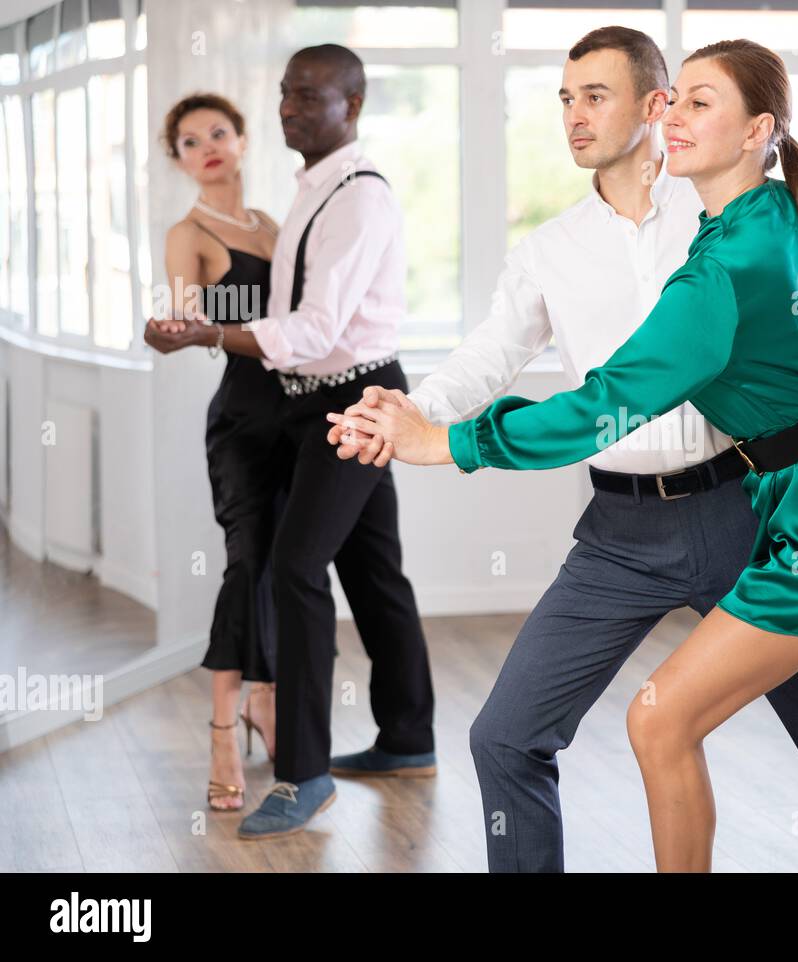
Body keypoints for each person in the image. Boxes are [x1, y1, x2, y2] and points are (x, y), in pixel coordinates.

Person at [332, 39, 798, 872]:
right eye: (565, 98)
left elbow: (616, 399)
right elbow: (493, 356)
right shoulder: (763, 208)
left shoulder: (714, 255)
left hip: (775, 510)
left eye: (605, 96)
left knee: (694, 719)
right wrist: (412, 414)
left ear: (748, 128)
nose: (578, 114)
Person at [146, 44, 436, 839]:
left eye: (310, 95)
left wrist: (206, 331)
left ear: (354, 103)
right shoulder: (310, 190)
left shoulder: (357, 196)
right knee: (374, 572)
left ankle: (304, 774)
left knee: (297, 567)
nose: (289, 108)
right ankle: (409, 738)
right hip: (319, 399)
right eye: (284, 93)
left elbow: (314, 331)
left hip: (353, 396)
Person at [145, 93, 286, 811]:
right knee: (246, 564)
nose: (206, 146)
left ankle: (268, 701)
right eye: (190, 140)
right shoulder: (188, 232)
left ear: (242, 140)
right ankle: (223, 729)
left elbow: (307, 318)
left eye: (218, 133)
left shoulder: (270, 224)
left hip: (300, 417)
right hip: (242, 423)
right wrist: (175, 326)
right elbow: (182, 316)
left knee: (285, 568)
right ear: (178, 160)